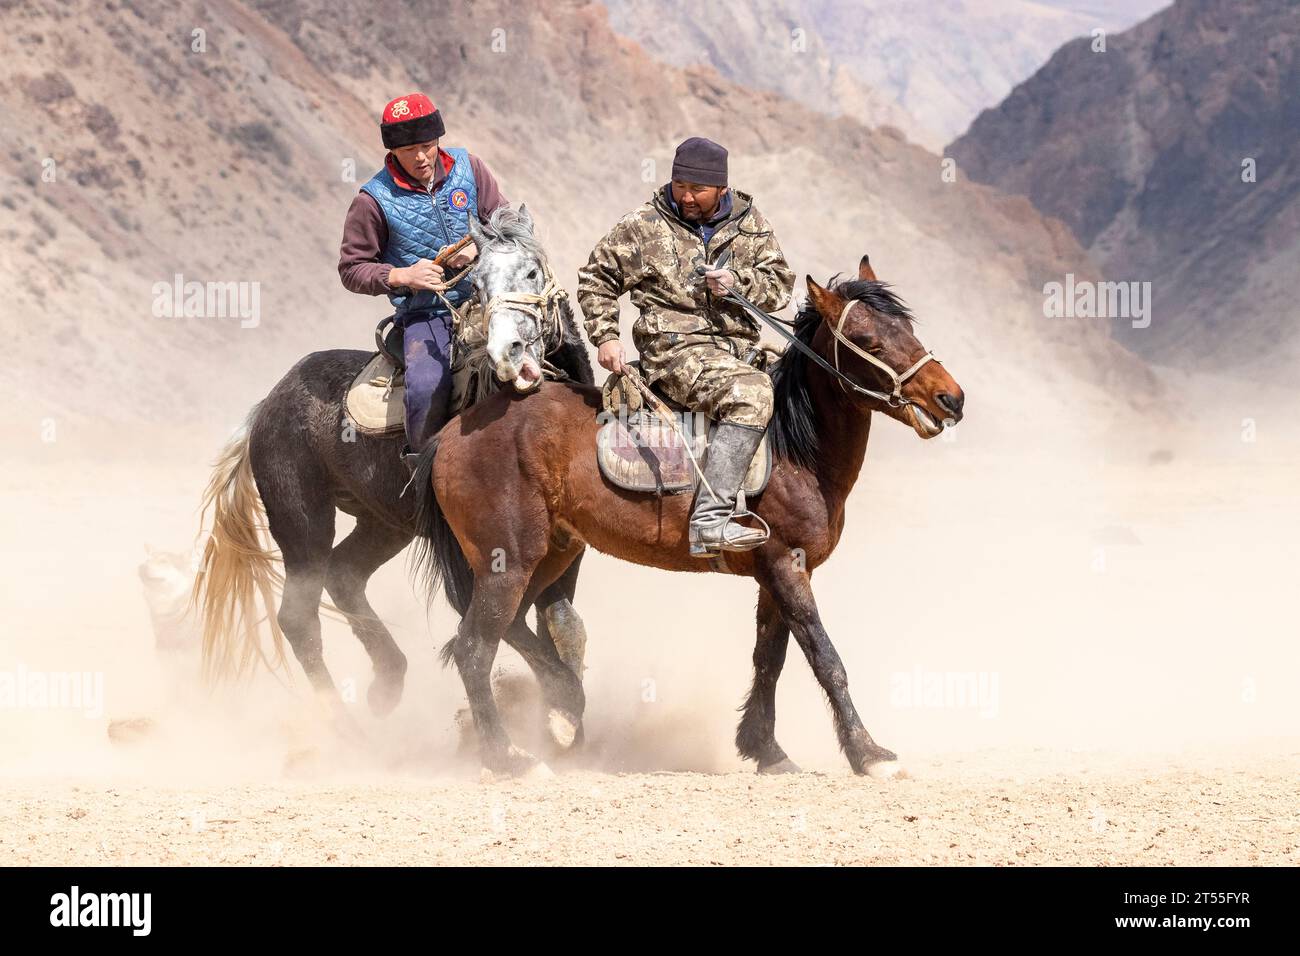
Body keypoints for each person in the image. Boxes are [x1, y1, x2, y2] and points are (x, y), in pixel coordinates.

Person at [577, 137, 795, 555]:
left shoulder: (751, 224)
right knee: (752, 394)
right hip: (674, 351)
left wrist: (738, 285)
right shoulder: (642, 225)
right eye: (679, 185)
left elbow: (780, 287)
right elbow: (596, 278)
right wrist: (605, 334)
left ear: (722, 189)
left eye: (698, 189)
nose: (687, 196)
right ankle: (711, 520)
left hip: (738, 349)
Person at [338, 93, 508, 467]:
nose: (421, 158)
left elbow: (506, 224)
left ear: (438, 141)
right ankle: (424, 475)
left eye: (427, 146)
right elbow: (352, 268)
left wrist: (479, 248)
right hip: (428, 314)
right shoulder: (373, 200)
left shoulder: (471, 168)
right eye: (409, 150)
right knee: (427, 384)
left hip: (491, 299)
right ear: (392, 151)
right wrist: (402, 275)